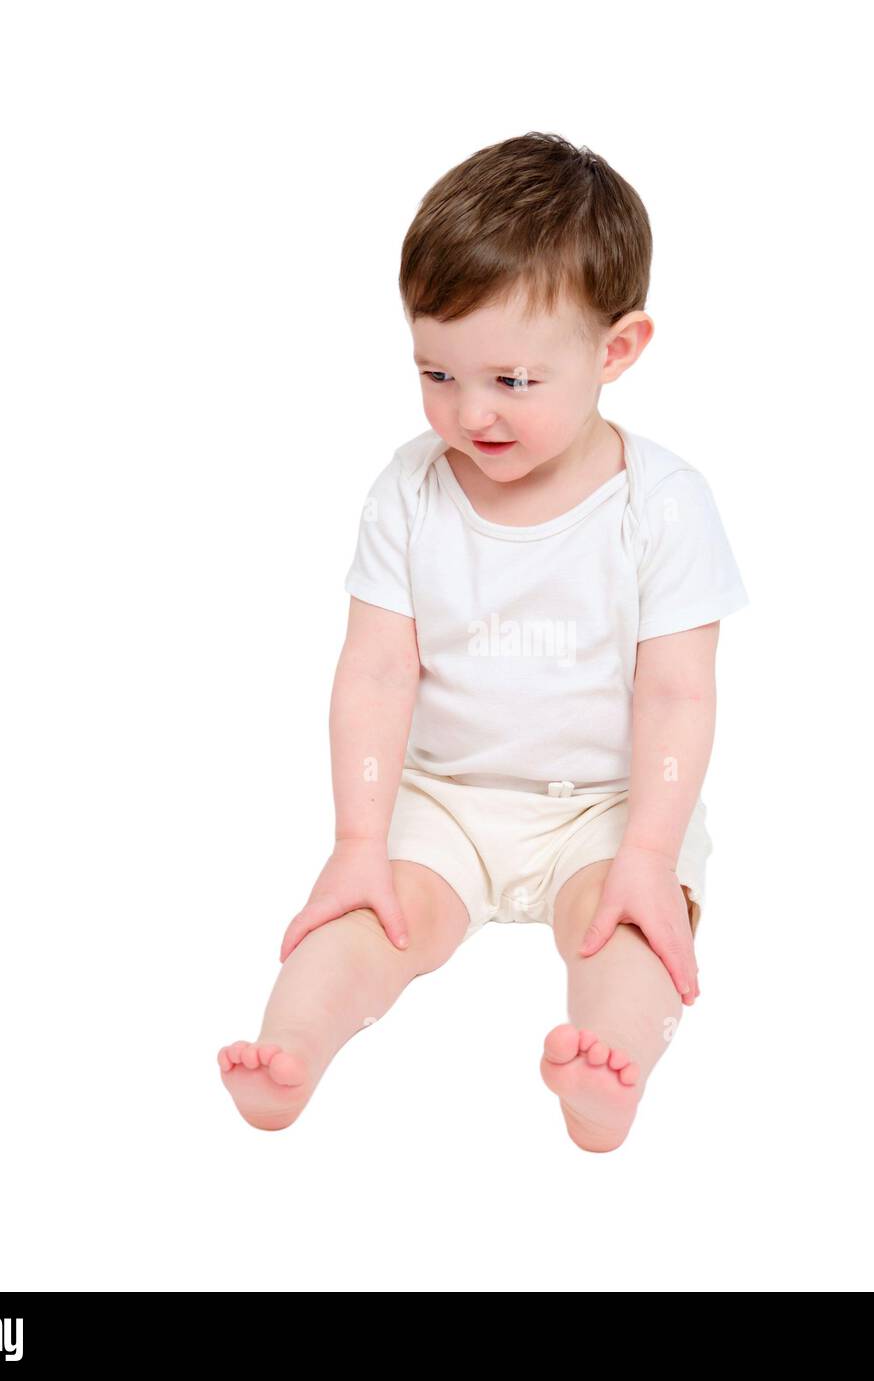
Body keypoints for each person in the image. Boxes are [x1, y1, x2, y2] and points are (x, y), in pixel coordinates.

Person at [218, 131, 749, 1152]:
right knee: (366, 924)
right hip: (445, 799)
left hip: (607, 807)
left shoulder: (663, 504)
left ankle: (609, 1071)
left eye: (511, 381)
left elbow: (677, 695)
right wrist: (360, 843)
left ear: (616, 351)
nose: (468, 413)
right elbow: (376, 668)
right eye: (436, 372)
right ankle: (291, 1052)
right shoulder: (410, 490)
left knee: (629, 926)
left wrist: (647, 848)